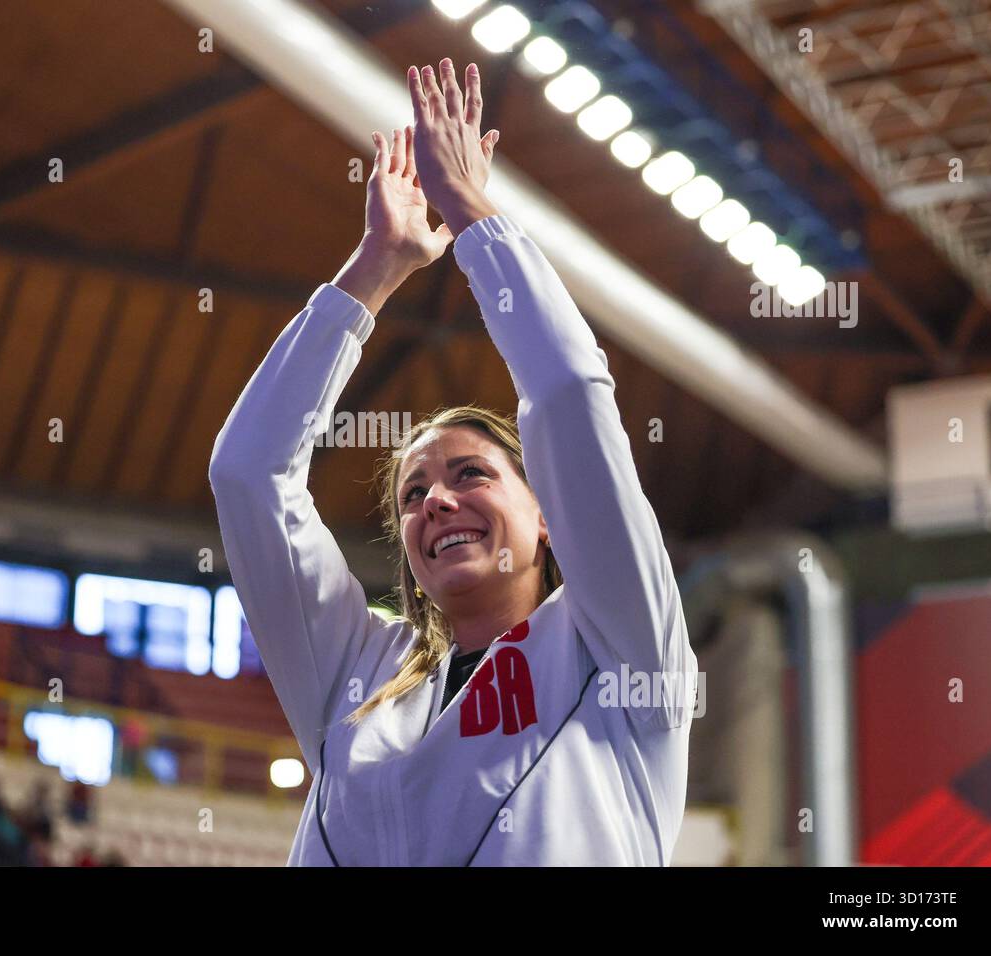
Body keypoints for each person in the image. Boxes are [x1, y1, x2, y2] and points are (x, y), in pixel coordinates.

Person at [209, 59, 697, 866]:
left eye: (470, 473)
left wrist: (474, 214)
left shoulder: (618, 643)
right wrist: (374, 269)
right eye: (412, 493)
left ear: (547, 514)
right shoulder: (352, 671)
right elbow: (248, 477)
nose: (434, 500)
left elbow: (571, 391)